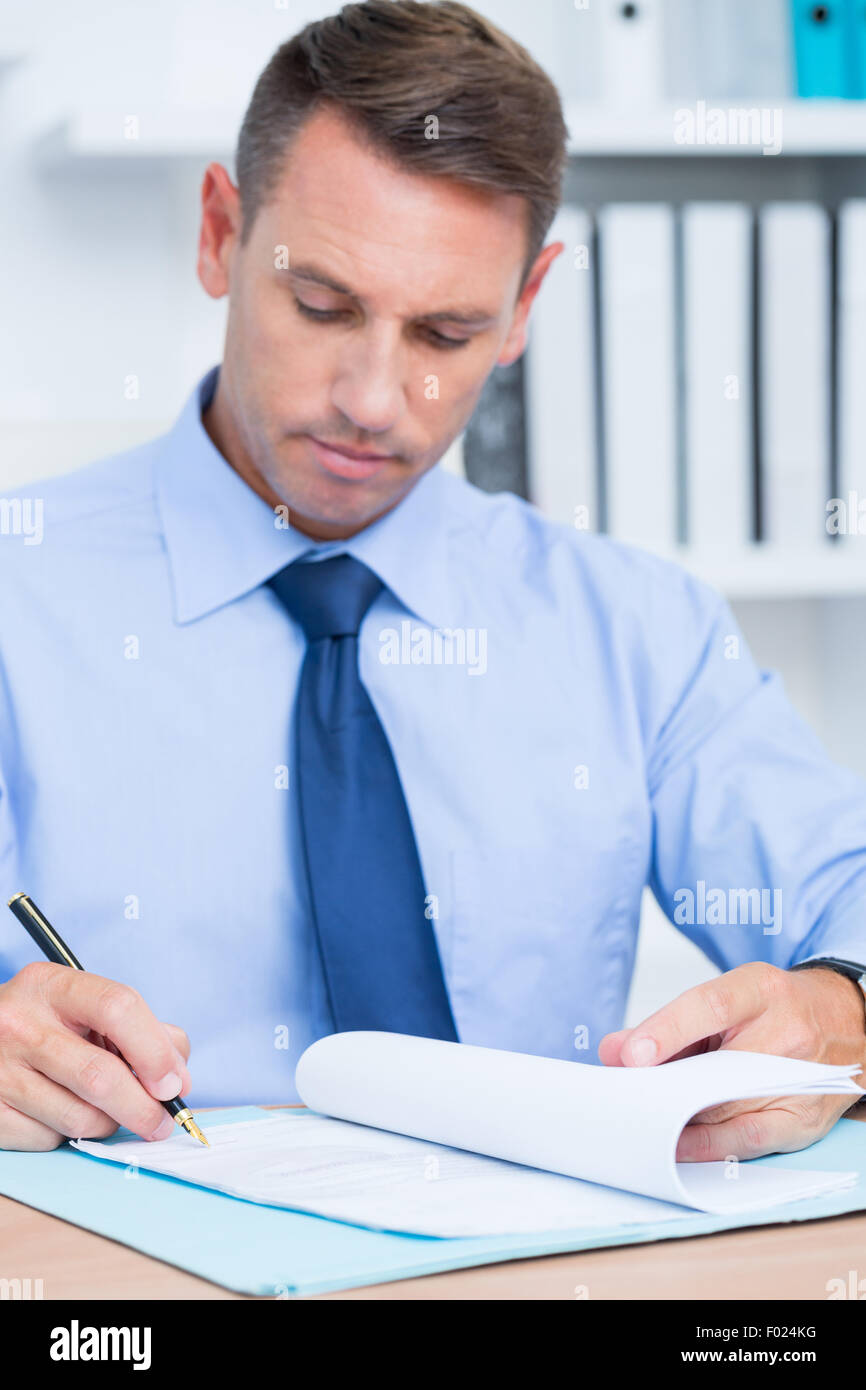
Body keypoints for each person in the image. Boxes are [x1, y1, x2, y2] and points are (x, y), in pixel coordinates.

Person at [1, 0, 865, 1162]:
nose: (371, 397)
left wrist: (837, 1005)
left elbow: (840, 893)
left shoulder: (634, 630)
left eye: (445, 333)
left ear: (523, 309)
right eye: (321, 305)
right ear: (218, 232)